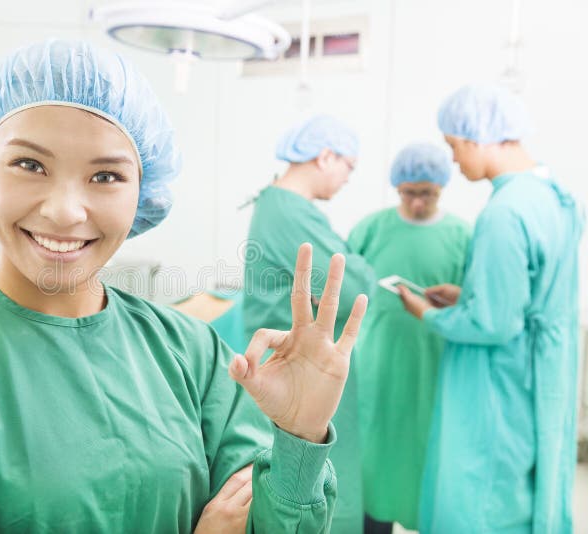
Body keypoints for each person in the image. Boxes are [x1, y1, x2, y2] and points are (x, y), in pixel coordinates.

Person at [0, 39, 369, 533]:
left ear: (144, 191)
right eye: (29, 164)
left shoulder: (194, 354)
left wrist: (299, 439)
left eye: (106, 176)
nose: (65, 211)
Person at [398, 84, 585, 534]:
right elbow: (535, 291)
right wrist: (472, 294)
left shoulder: (504, 212)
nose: (455, 162)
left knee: (482, 496)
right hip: (544, 366)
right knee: (531, 478)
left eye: (455, 147)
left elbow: (494, 323)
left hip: (499, 378)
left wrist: (428, 312)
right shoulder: (555, 197)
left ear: (478, 137)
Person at [243, 114, 376, 534]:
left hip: (303, 364)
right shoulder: (287, 210)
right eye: (348, 167)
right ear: (325, 156)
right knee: (312, 484)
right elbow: (353, 284)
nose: (347, 179)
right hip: (301, 369)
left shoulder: (283, 206)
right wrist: (359, 265)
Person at [348, 143, 470, 533]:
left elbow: (475, 306)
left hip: (432, 369)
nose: (417, 203)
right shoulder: (372, 228)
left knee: (423, 459)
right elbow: (344, 287)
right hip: (375, 368)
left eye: (427, 194)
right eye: (409, 193)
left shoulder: (461, 235)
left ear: (442, 188)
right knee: (373, 459)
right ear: (397, 187)